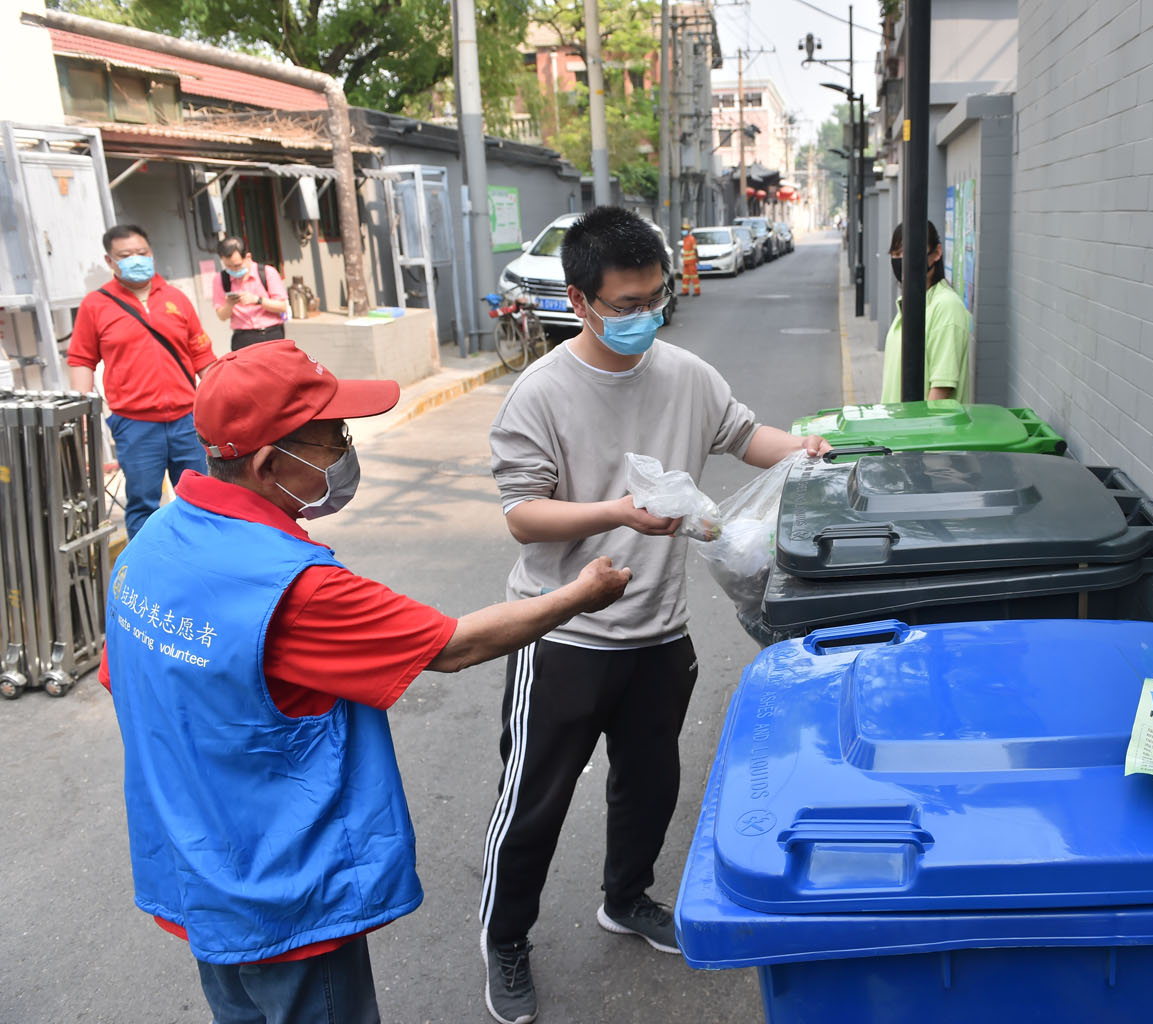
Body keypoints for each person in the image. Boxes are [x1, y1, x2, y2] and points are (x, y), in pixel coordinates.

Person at [101, 338, 631, 1024]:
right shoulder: (294, 588)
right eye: (333, 440)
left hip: (199, 873)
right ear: (267, 463)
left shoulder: (151, 547)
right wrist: (577, 596)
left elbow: (135, 688)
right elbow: (454, 645)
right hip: (281, 893)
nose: (347, 453)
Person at [481, 205, 829, 1024]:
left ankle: (626, 896)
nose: (644, 315)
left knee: (651, 782)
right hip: (561, 629)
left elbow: (746, 437)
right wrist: (618, 512)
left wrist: (813, 447)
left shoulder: (686, 375)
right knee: (534, 799)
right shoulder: (541, 393)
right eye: (625, 303)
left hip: (658, 631)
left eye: (655, 297)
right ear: (581, 299)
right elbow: (523, 513)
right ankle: (506, 939)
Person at [68, 224, 217, 538]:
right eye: (126, 255)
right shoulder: (96, 305)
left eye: (142, 253)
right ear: (110, 261)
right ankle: (146, 574)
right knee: (143, 504)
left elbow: (202, 353)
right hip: (134, 425)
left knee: (204, 499)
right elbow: (82, 359)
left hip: (187, 420)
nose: (136, 259)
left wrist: (223, 399)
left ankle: (204, 564)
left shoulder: (176, 298)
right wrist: (80, 414)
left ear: (152, 253)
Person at [880, 220, 973, 404]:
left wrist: (914, 432)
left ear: (936, 253)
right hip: (894, 429)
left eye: (909, 253)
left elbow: (940, 391)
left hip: (919, 432)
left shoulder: (946, 307)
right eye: (896, 254)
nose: (901, 261)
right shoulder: (911, 304)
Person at [212, 236, 289, 349]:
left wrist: (257, 300)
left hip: (271, 334)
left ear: (248, 257)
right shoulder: (220, 279)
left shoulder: (267, 272)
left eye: (237, 265)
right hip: (242, 337)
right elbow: (222, 316)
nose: (234, 270)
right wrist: (229, 304)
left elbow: (282, 307)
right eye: (228, 266)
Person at [679, 224, 701, 296]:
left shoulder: (691, 239)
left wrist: (697, 259)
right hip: (686, 262)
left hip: (691, 262)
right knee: (685, 278)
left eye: (684, 230)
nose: (683, 231)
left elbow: (695, 249)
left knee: (694, 277)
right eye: (682, 230)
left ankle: (697, 291)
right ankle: (685, 291)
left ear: (688, 230)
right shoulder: (685, 239)